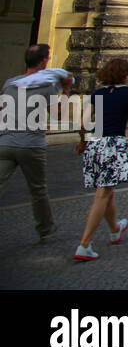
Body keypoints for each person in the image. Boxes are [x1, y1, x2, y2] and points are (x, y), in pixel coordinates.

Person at [0, 44, 72, 243]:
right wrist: (66, 90)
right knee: (37, 189)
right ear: (42, 62)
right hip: (31, 145)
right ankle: (45, 229)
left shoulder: (9, 83)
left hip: (5, 143)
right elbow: (60, 115)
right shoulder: (46, 88)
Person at [76, 58, 128, 261]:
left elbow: (83, 123)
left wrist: (82, 141)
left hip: (94, 143)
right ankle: (84, 245)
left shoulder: (98, 94)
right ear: (125, 75)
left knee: (107, 189)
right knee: (103, 194)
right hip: (113, 144)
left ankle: (115, 229)